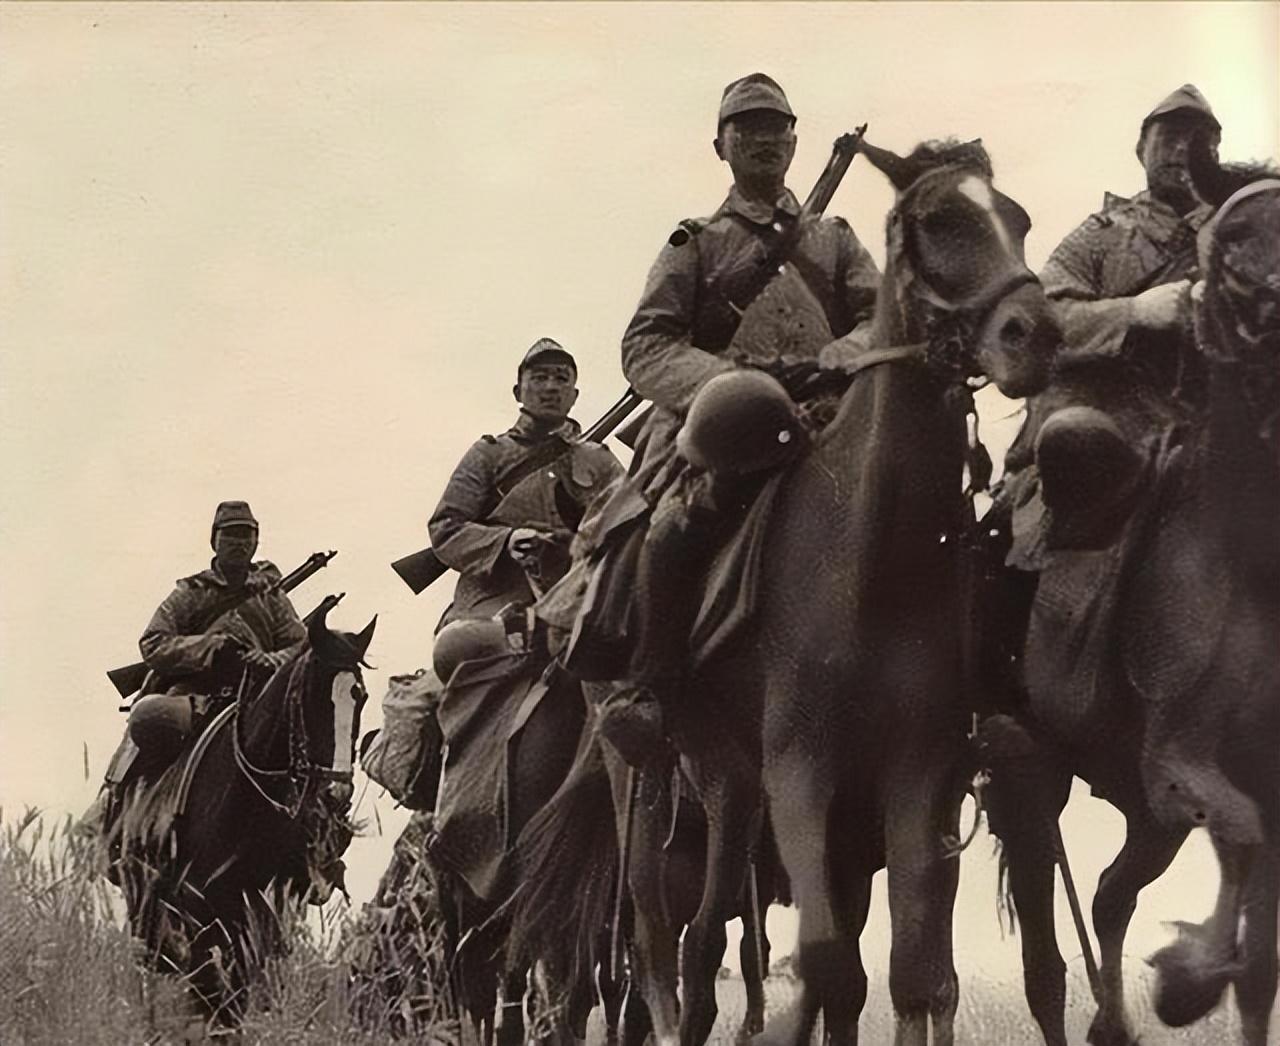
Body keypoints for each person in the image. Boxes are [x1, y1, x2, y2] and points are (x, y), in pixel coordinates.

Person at [592, 73, 880, 764]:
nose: (762, 139)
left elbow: (882, 317)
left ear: (794, 140)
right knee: (666, 527)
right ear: (720, 145)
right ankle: (650, 686)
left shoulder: (834, 240)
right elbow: (647, 345)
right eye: (745, 128)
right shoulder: (695, 242)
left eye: (775, 127)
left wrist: (839, 356)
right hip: (724, 424)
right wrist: (731, 383)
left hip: (829, 413)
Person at [1005, 84, 1222, 552]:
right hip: (1112, 429)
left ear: (1216, 154)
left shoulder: (1237, 233)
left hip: (1213, 426)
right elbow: (1036, 324)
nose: (1181, 150)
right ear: (1141, 148)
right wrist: (1134, 312)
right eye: (1168, 138)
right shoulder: (1099, 236)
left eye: (1196, 139)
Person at [427, 338, 624, 645]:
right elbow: (445, 529)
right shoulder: (488, 454)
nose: (550, 387)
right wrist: (507, 541)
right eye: (539, 377)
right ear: (519, 392)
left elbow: (627, 525)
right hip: (496, 600)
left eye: (561, 378)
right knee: (460, 649)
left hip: (582, 596)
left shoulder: (599, 459)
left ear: (574, 395)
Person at [126, 500, 306, 758]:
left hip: (257, 700)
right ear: (215, 540)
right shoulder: (191, 592)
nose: (239, 542)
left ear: (256, 541)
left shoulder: (271, 596)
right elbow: (153, 643)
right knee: (148, 720)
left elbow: (301, 647)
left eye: (246, 534)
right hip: (193, 699)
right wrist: (210, 647)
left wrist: (269, 660)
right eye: (230, 534)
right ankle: (118, 793)